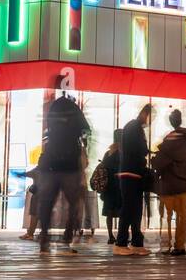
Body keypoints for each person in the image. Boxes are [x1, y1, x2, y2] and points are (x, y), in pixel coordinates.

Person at [35, 93, 92, 254]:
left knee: (46, 202)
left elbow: (49, 130)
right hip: (69, 163)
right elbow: (86, 130)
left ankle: (44, 238)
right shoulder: (74, 109)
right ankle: (67, 237)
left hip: (50, 162)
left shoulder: (53, 108)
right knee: (74, 202)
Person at [152, 110, 186, 256]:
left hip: (168, 185)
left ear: (172, 121)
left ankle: (165, 246)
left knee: (166, 218)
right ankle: (180, 246)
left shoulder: (168, 141)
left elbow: (158, 163)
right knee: (182, 218)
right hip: (184, 186)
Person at [115, 105, 154, 256]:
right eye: (150, 117)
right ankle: (121, 242)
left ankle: (137, 242)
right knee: (129, 208)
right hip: (130, 173)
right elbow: (140, 148)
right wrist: (147, 151)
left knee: (135, 209)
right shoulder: (134, 127)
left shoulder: (134, 127)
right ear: (145, 114)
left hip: (132, 173)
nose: (150, 121)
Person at [97, 130, 123, 243]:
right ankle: (122, 235)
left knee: (109, 212)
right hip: (120, 185)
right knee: (122, 211)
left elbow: (103, 168)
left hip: (109, 186)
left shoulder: (108, 153)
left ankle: (110, 236)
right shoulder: (124, 152)